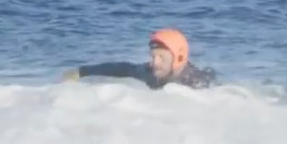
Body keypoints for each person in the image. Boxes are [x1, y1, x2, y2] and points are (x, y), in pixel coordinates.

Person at [61, 27, 217, 90]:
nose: (155, 63)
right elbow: (122, 69)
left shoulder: (196, 83)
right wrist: (82, 71)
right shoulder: (150, 72)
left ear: (179, 58)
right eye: (153, 56)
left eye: (162, 57)